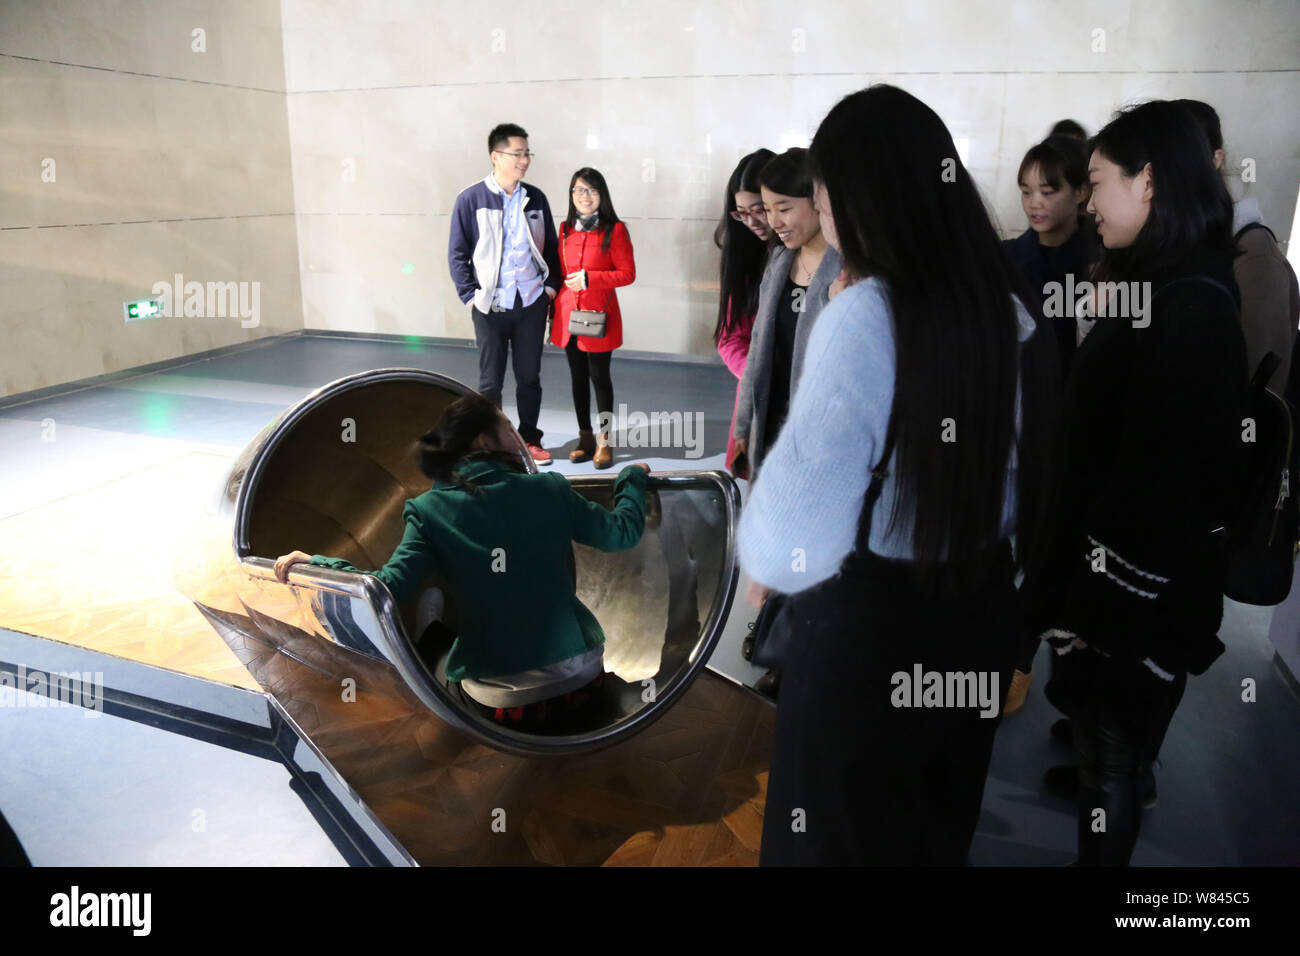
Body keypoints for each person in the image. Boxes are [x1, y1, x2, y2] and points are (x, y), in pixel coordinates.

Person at [739, 85, 1057, 865]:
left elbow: (786, 549)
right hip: (977, 612)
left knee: (837, 835)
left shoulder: (867, 316)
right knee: (932, 827)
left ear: (860, 199)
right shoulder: (1011, 310)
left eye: (825, 198)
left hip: (871, 632)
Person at [1027, 100, 1248, 866]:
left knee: (1111, 761)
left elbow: (1161, 483)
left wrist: (1094, 604)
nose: (1088, 202)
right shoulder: (1170, 280)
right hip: (1122, 587)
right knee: (1105, 750)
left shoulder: (1189, 307)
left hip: (1131, 596)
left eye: (1096, 182)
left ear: (1148, 181)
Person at [273, 393, 652, 726]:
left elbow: (387, 588)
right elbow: (621, 534)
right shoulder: (548, 489)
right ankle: (435, 622)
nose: (518, 436)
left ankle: (432, 625)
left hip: (503, 705)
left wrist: (321, 566)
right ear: (484, 440)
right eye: (508, 428)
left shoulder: (427, 510)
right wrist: (632, 478)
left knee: (430, 654)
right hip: (584, 679)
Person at [448, 123, 562, 466]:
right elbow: (457, 253)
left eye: (527, 153)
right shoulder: (471, 199)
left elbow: (552, 249)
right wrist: (470, 295)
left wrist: (550, 290)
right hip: (490, 307)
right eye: (518, 153)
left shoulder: (535, 198)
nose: (524, 160)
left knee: (530, 377)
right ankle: (493, 443)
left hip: (530, 302)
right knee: (490, 382)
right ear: (495, 156)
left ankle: (529, 439)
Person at [731, 148, 842, 482]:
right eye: (768, 210)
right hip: (770, 425)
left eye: (784, 208)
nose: (774, 222)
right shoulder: (779, 262)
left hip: (819, 435)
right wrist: (743, 425)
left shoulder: (847, 271)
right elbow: (758, 350)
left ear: (818, 201)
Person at [1175, 99, 1300, 393]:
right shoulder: (1188, 243)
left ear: (1216, 159)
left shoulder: (1255, 258)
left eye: (1179, 160)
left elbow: (1259, 391)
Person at [550, 168, 636, 469]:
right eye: (578, 190)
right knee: (576, 378)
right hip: (567, 315)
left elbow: (627, 274)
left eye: (591, 190)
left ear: (602, 194)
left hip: (599, 317)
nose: (584, 197)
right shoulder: (564, 230)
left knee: (599, 378)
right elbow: (559, 272)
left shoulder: (616, 230)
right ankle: (585, 436)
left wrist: (591, 278)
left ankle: (605, 440)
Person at [714, 149, 777, 471]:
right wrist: (758, 374)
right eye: (741, 213)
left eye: (760, 210)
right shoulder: (743, 256)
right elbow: (729, 339)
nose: (751, 222)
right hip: (757, 395)